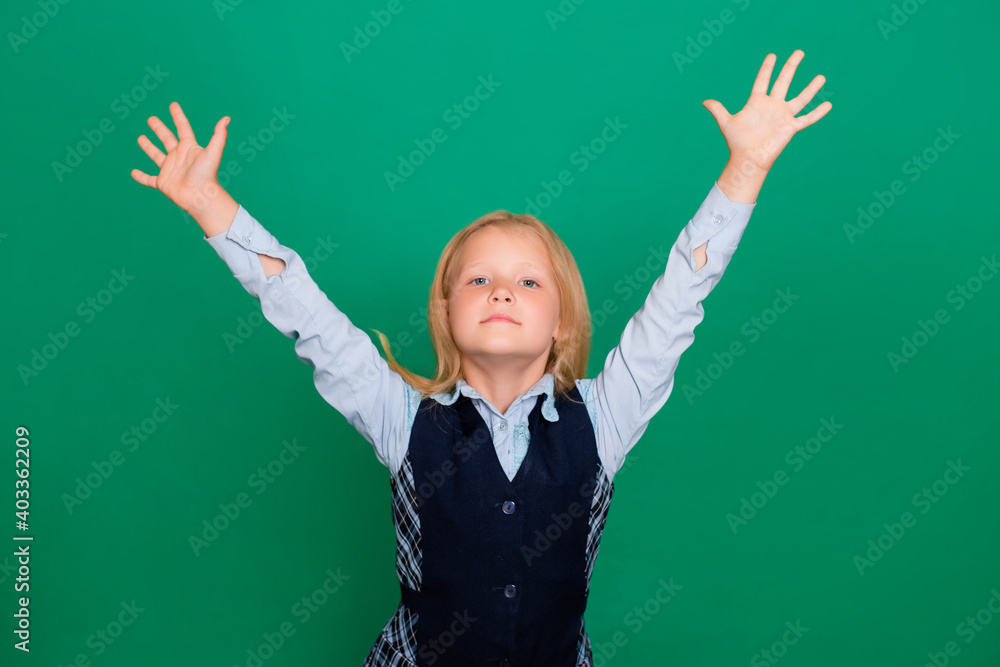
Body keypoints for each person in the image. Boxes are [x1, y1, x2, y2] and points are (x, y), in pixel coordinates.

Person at [131, 49, 830, 667]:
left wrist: (744, 171)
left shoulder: (608, 414)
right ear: (446, 313)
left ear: (562, 322)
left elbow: (683, 292)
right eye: (478, 279)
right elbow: (302, 309)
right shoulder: (399, 416)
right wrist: (209, 203)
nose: (502, 289)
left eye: (529, 281)